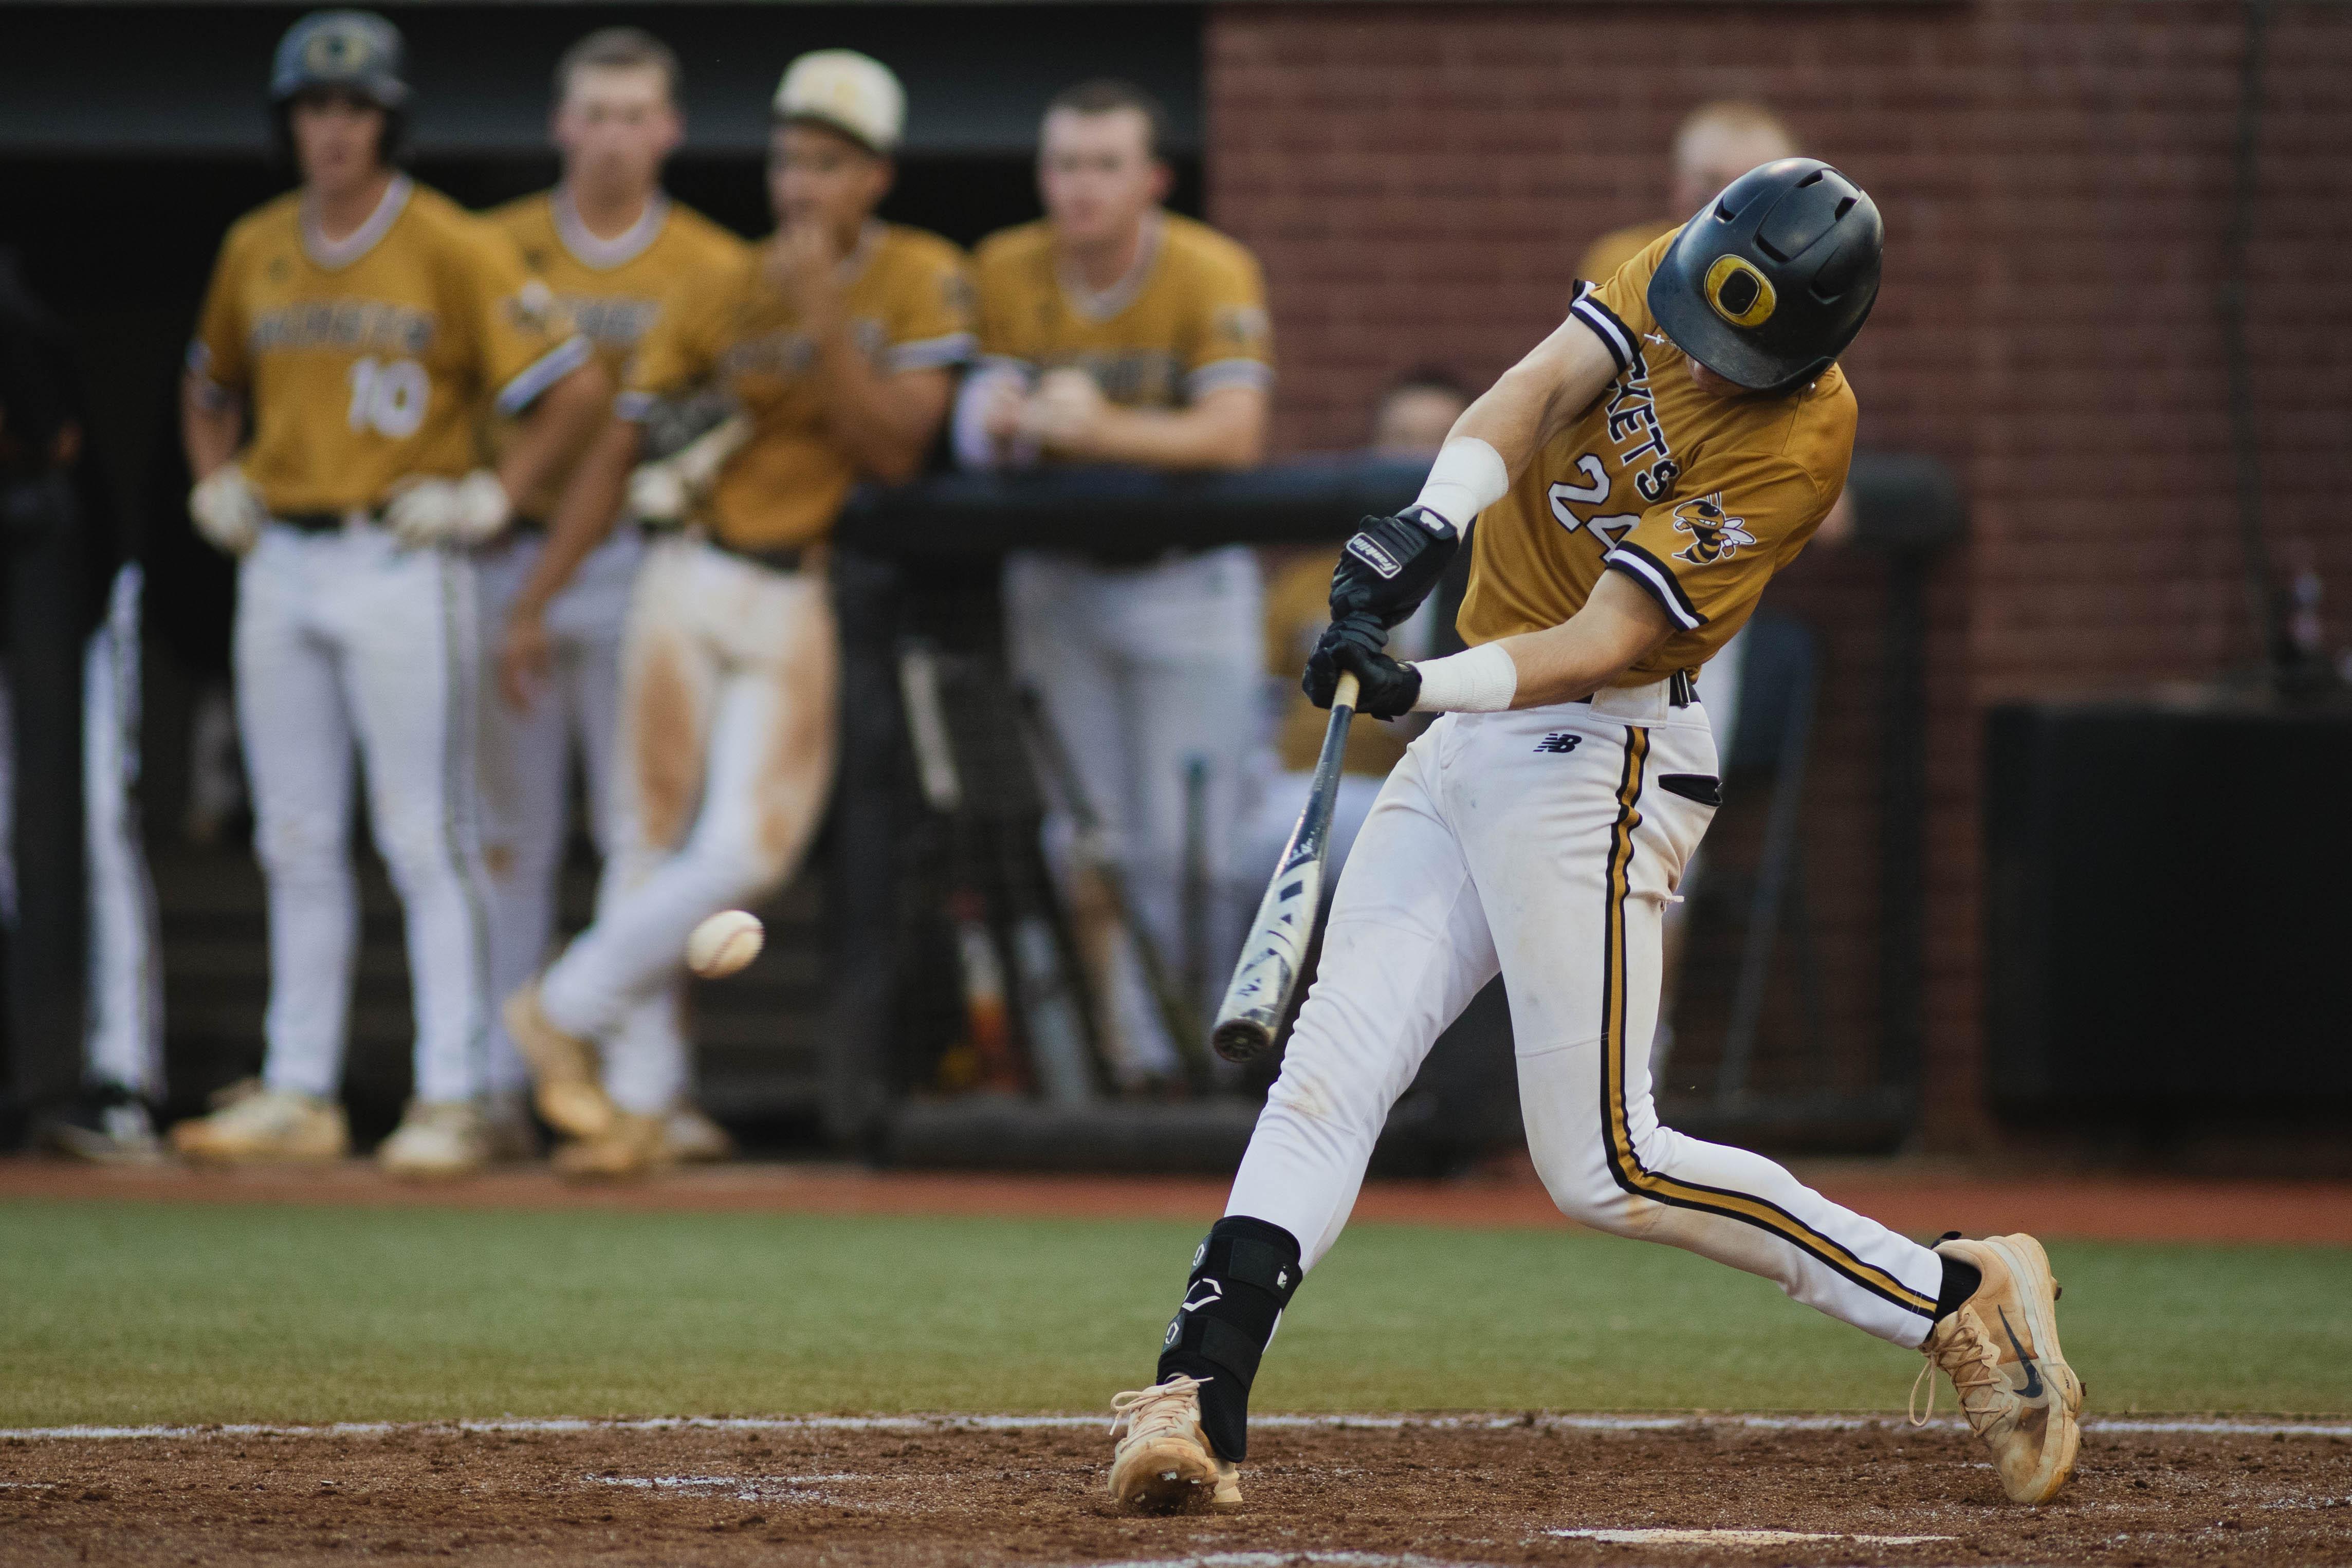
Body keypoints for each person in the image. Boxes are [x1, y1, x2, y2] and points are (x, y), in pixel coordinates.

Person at [1105, 161, 2082, 1511]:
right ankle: (1196, 1396)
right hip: (1469, 740)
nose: (1703, 353)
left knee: (1604, 1161)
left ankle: (1952, 1294)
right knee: (1328, 1071)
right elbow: (1535, 389)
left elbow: (1605, 637)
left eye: (1739, 349)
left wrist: (1417, 680)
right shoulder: (1680, 265)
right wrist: (1429, 523)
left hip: (1599, 754)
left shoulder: (1801, 444)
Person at [499, 49, 971, 1178]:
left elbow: (898, 450)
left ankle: (559, 1006)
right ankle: (638, 1104)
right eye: (789, 159)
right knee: (645, 836)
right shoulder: (719, 285)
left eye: (829, 163)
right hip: (687, 572)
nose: (801, 183)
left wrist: (823, 316)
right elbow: (620, 448)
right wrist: (536, 595)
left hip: (798, 583)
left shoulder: (921, 274)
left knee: (749, 852)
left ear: (877, 175)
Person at [169, 10, 608, 1178]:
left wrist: (494, 495)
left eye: (355, 109)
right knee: (295, 833)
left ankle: (455, 1089)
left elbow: (574, 387)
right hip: (283, 551)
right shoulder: (256, 243)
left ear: (387, 123)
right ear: (289, 123)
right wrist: (214, 478)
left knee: (426, 830)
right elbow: (208, 385)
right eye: (315, 108)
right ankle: (299, 1085)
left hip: (403, 553)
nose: (333, 129)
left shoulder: (449, 241)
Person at [960, 80, 1274, 1086]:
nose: (1080, 186)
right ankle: (1129, 1062)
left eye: (1104, 165)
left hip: (1184, 580)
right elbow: (973, 423)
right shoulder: (1005, 265)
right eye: (1064, 164)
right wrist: (994, 419)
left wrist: (1097, 429)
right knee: (1087, 840)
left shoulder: (1208, 265)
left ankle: (1215, 1054)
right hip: (1060, 580)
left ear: (1152, 180)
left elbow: (1233, 434)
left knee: (1195, 846)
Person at [477, 27, 748, 1164]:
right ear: (561, 123)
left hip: (646, 558)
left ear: (669, 129)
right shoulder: (494, 246)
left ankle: (648, 1090)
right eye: (595, 113)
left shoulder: (715, 262)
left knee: (648, 829)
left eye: (635, 115)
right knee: (509, 836)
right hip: (511, 554)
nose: (613, 136)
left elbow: (742, 414)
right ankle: (500, 1087)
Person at [1579, 101, 1851, 1069]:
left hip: (1693, 609)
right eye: (1711, 185)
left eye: (1749, 184)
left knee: (1658, 846)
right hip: (1579, 576)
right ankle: (1550, 1069)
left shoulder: (1805, 295)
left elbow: (1827, 506)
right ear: (1680, 189)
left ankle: (1639, 1064)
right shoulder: (1632, 259)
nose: (1729, 203)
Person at [0, 252, 167, 1163]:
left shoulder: (17, 317)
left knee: (92, 822)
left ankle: (116, 1072)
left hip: (71, 603)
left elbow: (53, 439)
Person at [1242, 370, 1471, 895]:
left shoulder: (1486, 585)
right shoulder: (1315, 577)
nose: (1416, 461)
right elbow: (1258, 706)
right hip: (1299, 790)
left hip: (1419, 795)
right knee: (1247, 845)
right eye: (1402, 440)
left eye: (1436, 442)